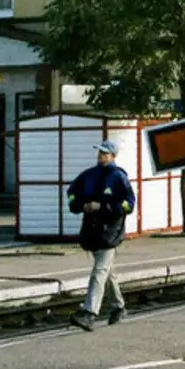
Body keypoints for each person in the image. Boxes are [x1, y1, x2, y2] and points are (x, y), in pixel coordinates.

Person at [67, 140, 136, 331]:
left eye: (105, 153)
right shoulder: (89, 175)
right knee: (107, 271)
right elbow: (72, 192)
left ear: (113, 156)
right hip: (92, 229)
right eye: (99, 153)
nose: (100, 156)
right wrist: (80, 205)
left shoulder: (118, 177)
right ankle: (119, 307)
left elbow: (128, 204)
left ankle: (89, 313)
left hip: (110, 231)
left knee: (99, 272)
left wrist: (104, 207)